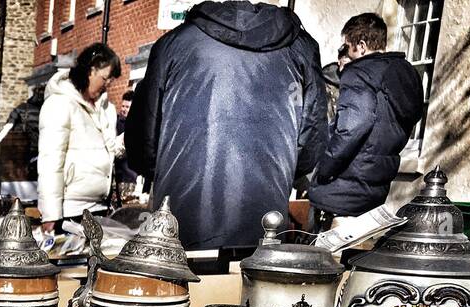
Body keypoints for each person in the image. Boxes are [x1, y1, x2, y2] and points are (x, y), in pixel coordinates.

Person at [126, 0, 327, 251]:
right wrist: (280, 170)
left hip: (179, 216)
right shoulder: (300, 49)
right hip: (264, 215)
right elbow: (312, 139)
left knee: (178, 286)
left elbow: (143, 137)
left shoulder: (175, 44)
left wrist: (165, 169)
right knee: (254, 284)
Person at [308, 13, 424, 223]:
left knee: (323, 252)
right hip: (377, 187)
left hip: (344, 186)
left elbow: (352, 127)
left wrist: (324, 169)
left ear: (361, 46)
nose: (345, 53)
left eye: (346, 47)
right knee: (358, 254)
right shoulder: (406, 74)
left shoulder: (360, 73)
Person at [36, 43, 121, 231]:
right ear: (91, 70)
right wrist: (50, 214)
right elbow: (51, 162)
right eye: (105, 78)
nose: (107, 85)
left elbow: (110, 149)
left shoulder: (104, 108)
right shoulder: (60, 103)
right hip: (70, 211)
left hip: (100, 208)